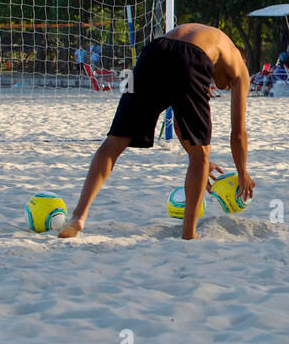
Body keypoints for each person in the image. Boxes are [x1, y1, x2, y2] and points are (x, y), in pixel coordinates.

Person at [58, 23, 254, 240]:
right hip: (191, 58)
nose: (223, 87)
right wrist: (242, 172)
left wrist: (197, 156)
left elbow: (182, 123)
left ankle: (78, 217)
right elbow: (238, 134)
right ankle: (189, 234)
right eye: (224, 86)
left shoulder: (211, 40)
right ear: (243, 60)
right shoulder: (239, 68)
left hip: (153, 51)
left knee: (114, 141)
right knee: (201, 155)